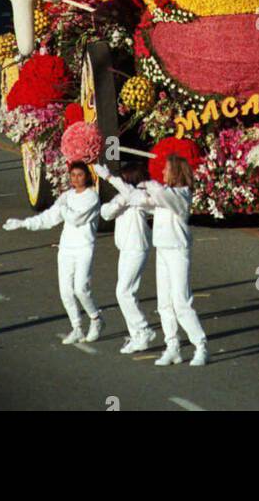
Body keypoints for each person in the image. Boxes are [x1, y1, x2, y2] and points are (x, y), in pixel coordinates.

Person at [3, 161, 102, 344]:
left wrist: (62, 207)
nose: (76, 179)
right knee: (66, 291)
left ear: (87, 176)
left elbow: (76, 218)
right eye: (73, 175)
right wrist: (23, 223)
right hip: (66, 248)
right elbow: (49, 218)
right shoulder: (67, 196)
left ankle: (96, 319)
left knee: (80, 289)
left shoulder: (92, 197)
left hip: (84, 248)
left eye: (80, 175)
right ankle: (77, 327)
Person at [141, 154, 209, 367]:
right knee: (164, 303)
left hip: (178, 252)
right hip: (162, 250)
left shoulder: (181, 195)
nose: (163, 173)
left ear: (176, 172)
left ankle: (201, 346)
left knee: (181, 302)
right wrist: (116, 180)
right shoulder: (165, 195)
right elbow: (141, 200)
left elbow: (162, 195)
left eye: (166, 169)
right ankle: (172, 347)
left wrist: (149, 184)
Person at [95, 159, 157, 354]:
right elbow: (105, 213)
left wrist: (109, 178)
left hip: (137, 248)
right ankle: (137, 335)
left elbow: (133, 195)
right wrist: (119, 202)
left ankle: (143, 330)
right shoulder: (124, 197)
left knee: (124, 292)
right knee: (125, 292)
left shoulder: (142, 196)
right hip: (125, 249)